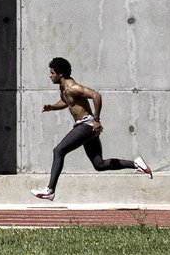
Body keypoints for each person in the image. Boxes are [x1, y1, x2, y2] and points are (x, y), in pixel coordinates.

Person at [32, 57, 152, 201]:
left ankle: (50, 190)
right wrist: (51, 107)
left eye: (52, 73)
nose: (50, 75)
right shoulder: (63, 88)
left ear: (60, 73)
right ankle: (136, 164)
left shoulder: (72, 87)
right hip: (86, 126)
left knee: (58, 151)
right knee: (99, 164)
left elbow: (96, 95)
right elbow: (66, 102)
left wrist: (96, 120)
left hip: (87, 125)